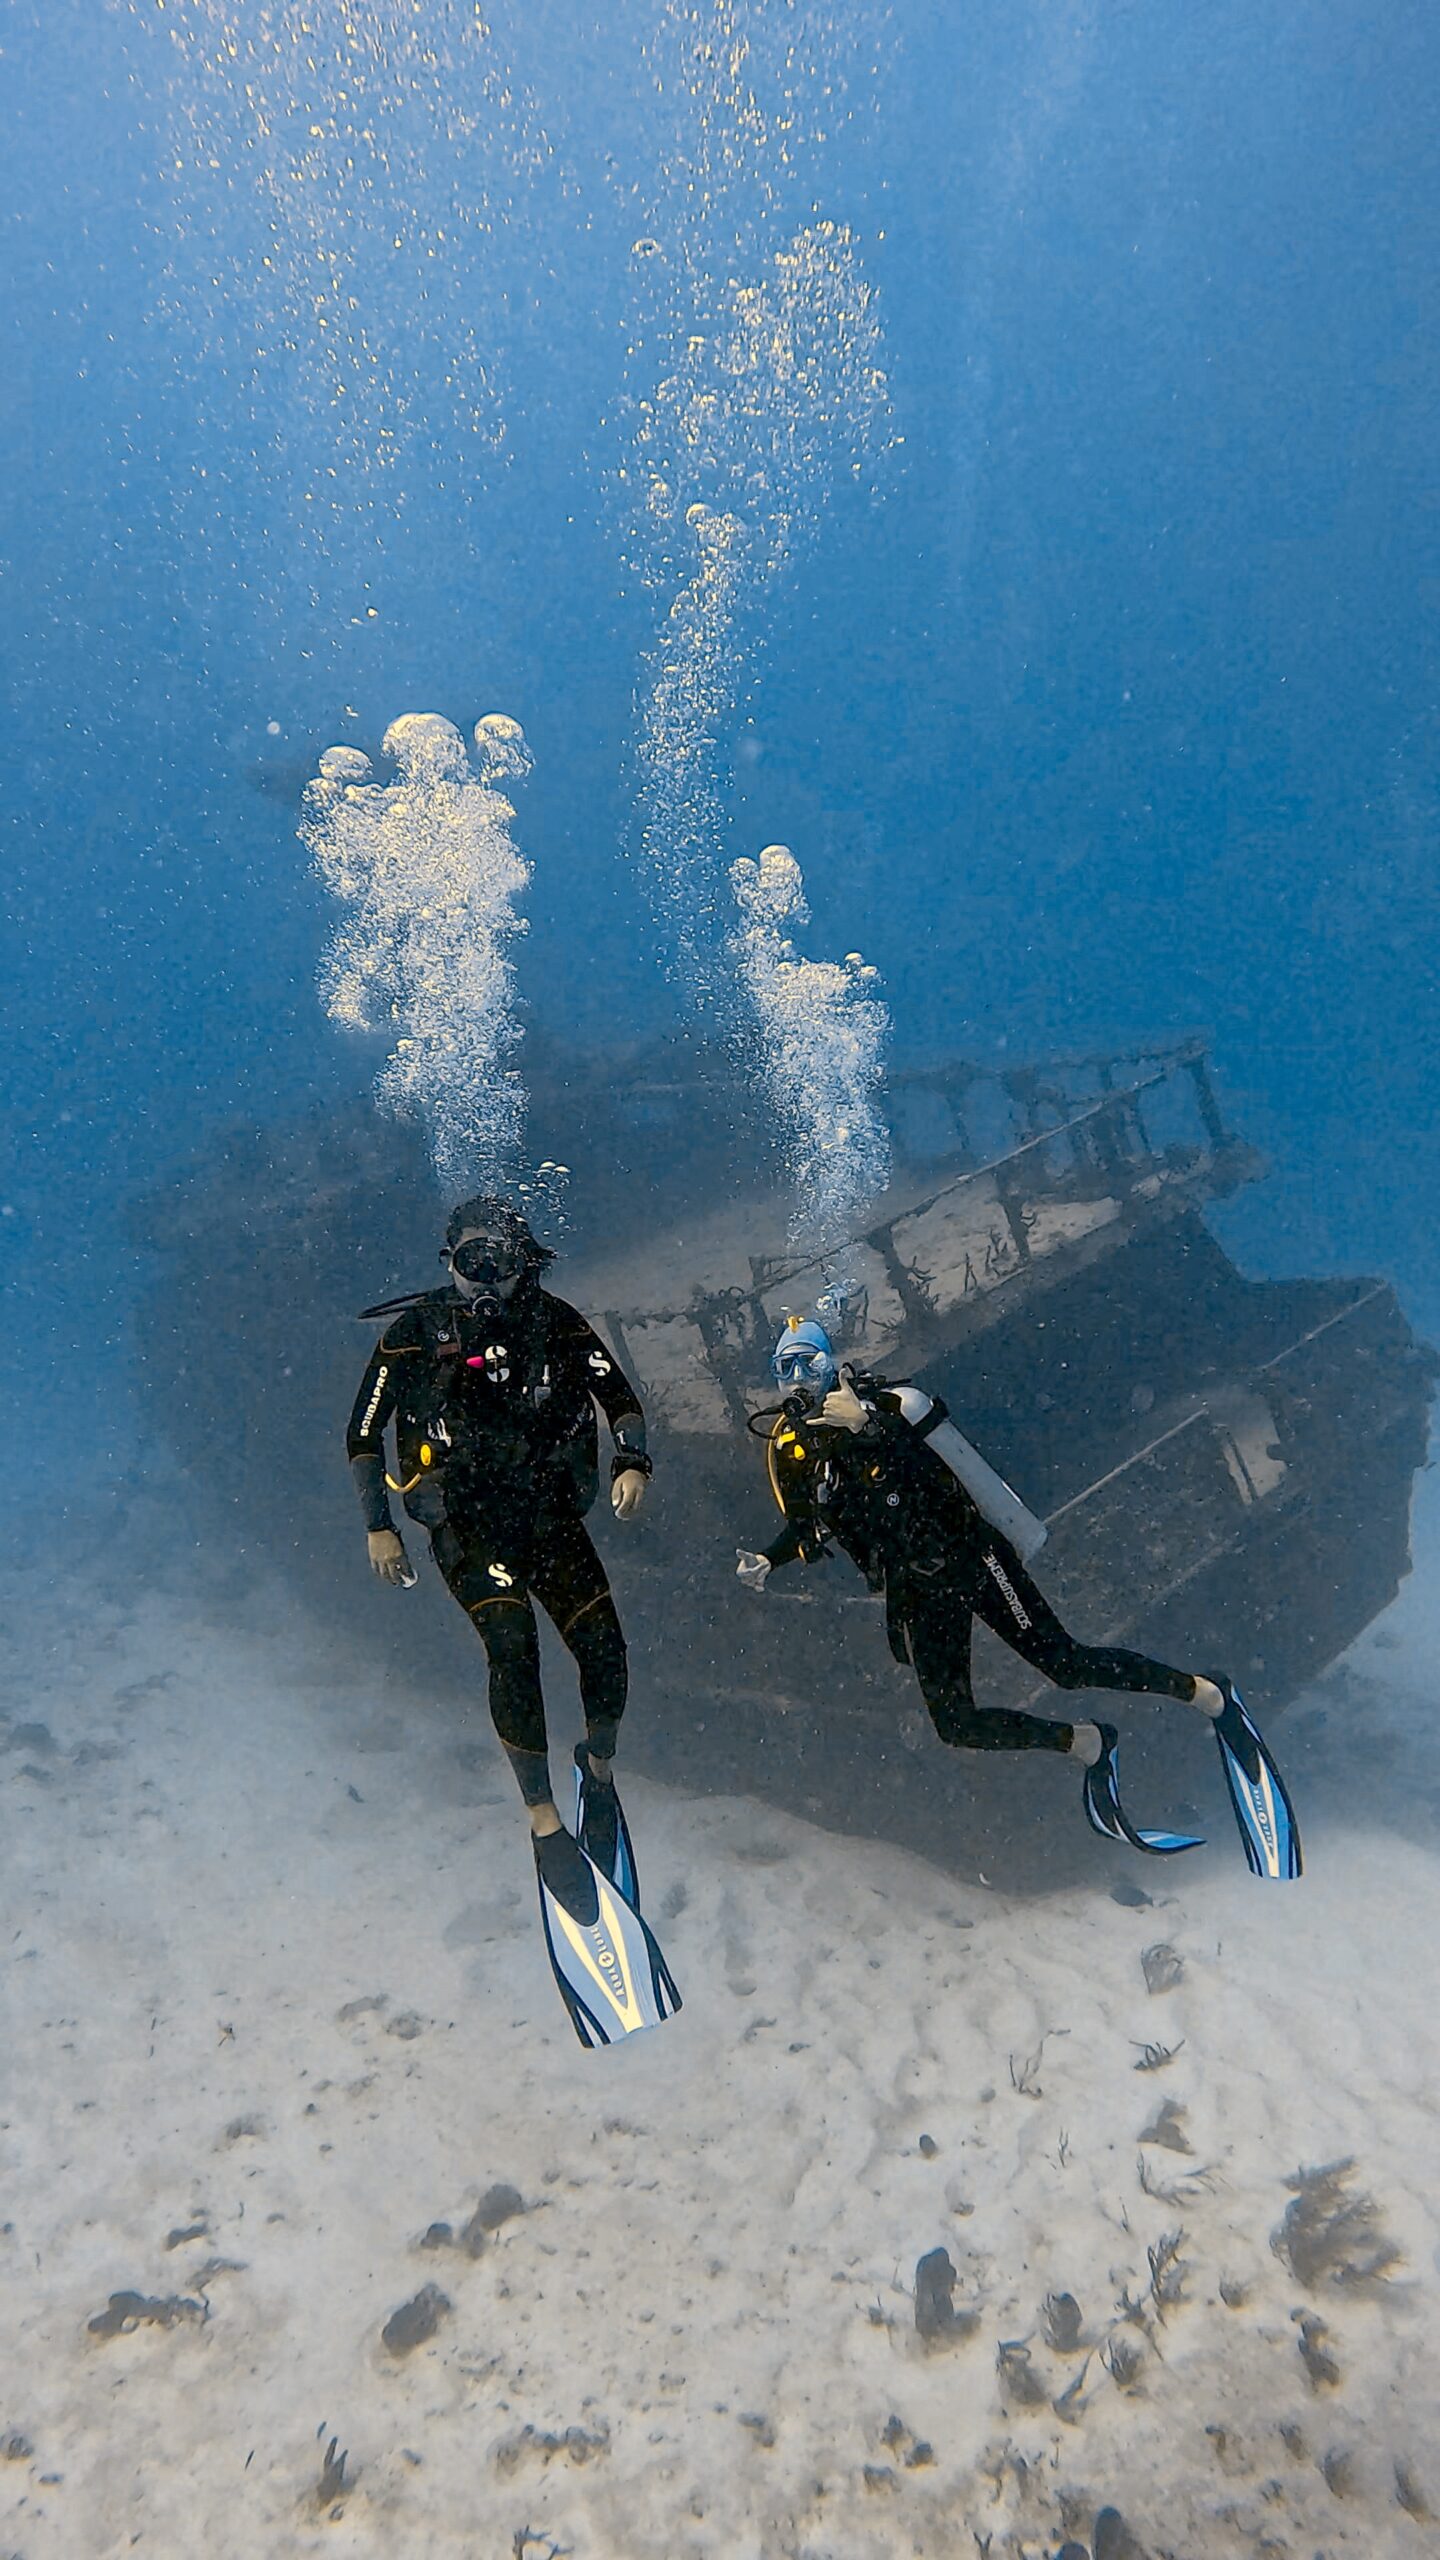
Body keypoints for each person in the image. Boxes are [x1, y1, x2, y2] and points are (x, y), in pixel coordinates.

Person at [737, 1316, 1301, 1879]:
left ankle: (1208, 1694)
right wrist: (770, 1558)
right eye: (782, 1368)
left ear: (832, 1360)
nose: (795, 1379)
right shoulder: (792, 1451)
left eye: (806, 1362)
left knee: (1068, 1665)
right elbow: (811, 1527)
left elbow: (938, 1482)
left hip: (973, 1558)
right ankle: (1087, 1745)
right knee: (956, 1724)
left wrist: (867, 1427)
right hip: (917, 1588)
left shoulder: (890, 1409)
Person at [347, 1196, 681, 2041]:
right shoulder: (414, 1333)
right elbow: (362, 1433)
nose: (483, 1278)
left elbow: (620, 1397)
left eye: (497, 1261)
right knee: (513, 1647)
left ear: (523, 1262)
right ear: (447, 1260)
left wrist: (634, 1461)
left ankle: (596, 1769)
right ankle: (543, 1822)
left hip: (548, 1520)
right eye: (468, 1261)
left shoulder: (556, 1322)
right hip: (465, 1527)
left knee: (605, 1650)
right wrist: (380, 1526)